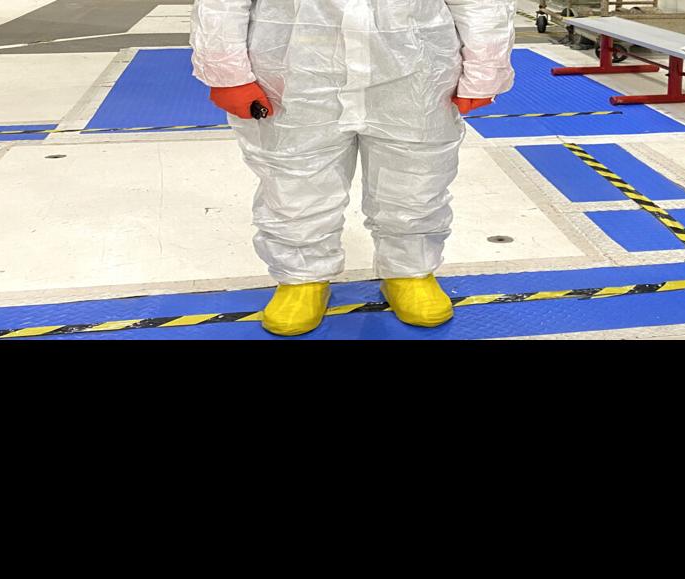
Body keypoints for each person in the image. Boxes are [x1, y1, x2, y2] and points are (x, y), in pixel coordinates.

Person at [191, 0, 516, 336]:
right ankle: (303, 278)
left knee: (416, 173)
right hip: (296, 64)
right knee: (295, 174)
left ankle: (409, 271)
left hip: (415, 61)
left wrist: (485, 65)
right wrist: (226, 71)